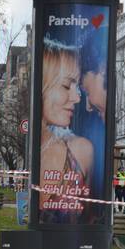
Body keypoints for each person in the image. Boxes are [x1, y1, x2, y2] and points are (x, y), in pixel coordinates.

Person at [36, 36, 94, 224]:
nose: (77, 97)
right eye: (66, 85)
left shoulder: (81, 152)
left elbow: (90, 222)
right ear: (42, 86)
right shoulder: (30, 152)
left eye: (76, 86)